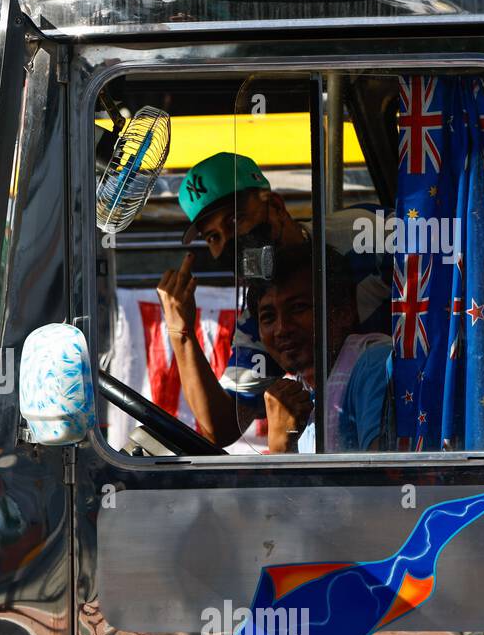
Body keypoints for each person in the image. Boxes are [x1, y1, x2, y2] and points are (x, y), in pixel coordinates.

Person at [159, 151, 389, 446]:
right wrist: (181, 333)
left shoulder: (370, 234)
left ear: (277, 206)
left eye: (235, 219)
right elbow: (224, 425)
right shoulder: (260, 320)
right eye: (213, 237)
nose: (229, 243)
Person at [161, 245, 391, 454]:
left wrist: (281, 448)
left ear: (343, 312)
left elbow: (380, 483)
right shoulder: (303, 394)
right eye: (268, 317)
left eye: (299, 308)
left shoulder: (373, 364)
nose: (282, 329)